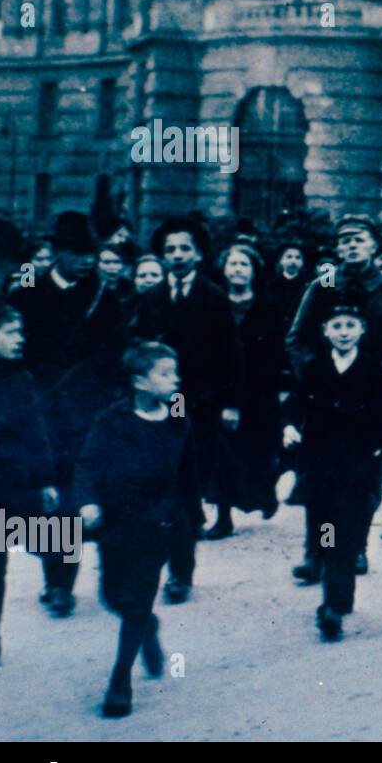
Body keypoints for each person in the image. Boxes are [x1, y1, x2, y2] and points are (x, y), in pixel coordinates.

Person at [285, 214, 382, 582]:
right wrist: (318, 378)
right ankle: (318, 552)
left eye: (359, 239)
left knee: (363, 483)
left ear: (374, 246)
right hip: (326, 400)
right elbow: (297, 337)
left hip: (371, 401)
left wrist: (379, 383)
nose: (351, 245)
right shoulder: (325, 282)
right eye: (344, 240)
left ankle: (354, 548)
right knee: (318, 481)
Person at [8, 211, 122, 618]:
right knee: (42, 497)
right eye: (76, 252)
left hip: (86, 415)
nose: (87, 260)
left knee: (72, 497)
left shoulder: (103, 298)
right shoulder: (27, 294)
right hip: (37, 416)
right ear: (56, 252)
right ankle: (52, 573)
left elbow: (115, 360)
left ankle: (61, 584)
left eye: (90, 252)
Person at [76, 342, 198, 718]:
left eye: (174, 371)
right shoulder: (112, 419)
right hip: (116, 521)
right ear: (140, 382)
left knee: (139, 598)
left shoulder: (178, 415)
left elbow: (188, 470)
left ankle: (119, 683)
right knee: (112, 596)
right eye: (165, 373)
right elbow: (87, 465)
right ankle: (148, 625)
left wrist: (189, 517)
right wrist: (87, 502)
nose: (175, 379)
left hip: (160, 523)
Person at [131, 216, 243, 601]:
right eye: (170, 250)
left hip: (201, 401)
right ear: (162, 257)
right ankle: (155, 563)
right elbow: (140, 351)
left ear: (197, 254)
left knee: (185, 482)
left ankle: (181, 572)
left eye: (184, 249)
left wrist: (229, 403)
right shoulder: (151, 299)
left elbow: (231, 354)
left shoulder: (214, 297)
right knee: (163, 483)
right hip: (163, 402)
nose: (177, 256)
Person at [283, 305, 382, 642]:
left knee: (345, 534)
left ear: (362, 330)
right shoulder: (315, 368)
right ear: (326, 331)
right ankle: (332, 584)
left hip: (358, 467)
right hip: (319, 466)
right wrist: (290, 426)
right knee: (325, 529)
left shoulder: (373, 372)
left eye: (351, 325)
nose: (344, 331)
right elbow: (294, 403)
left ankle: (332, 606)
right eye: (337, 325)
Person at [0, 301, 58, 671]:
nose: (20, 339)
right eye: (10, 332)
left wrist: (45, 478)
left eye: (20, 331)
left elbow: (36, 433)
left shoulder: (20, 381)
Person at [221, 243, 286, 523]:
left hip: (261, 389)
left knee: (261, 449)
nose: (237, 269)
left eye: (243, 264)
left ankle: (266, 491)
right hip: (223, 388)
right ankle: (223, 514)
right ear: (223, 269)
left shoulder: (269, 306)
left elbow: (280, 350)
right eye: (233, 263)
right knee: (223, 451)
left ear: (253, 271)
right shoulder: (215, 303)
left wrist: (283, 385)